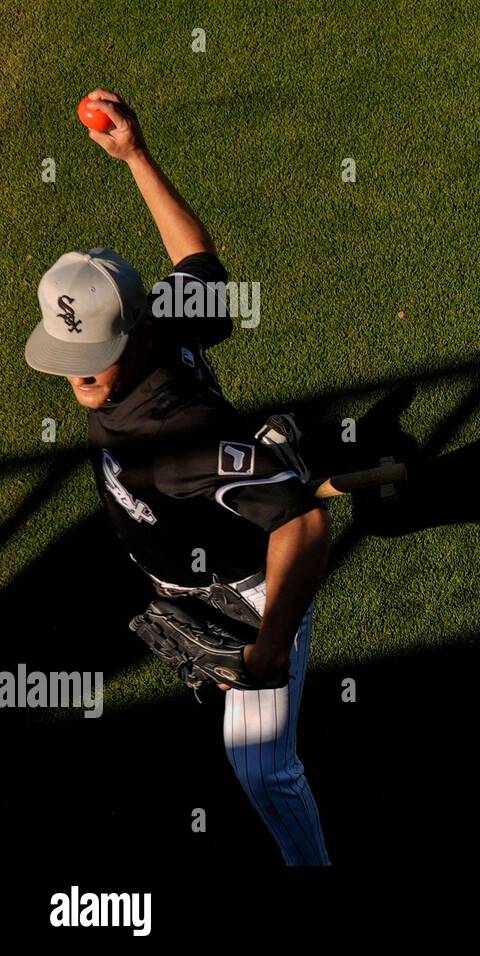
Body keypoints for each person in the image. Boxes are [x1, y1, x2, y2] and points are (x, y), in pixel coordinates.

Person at [24, 89, 331, 866]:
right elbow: (197, 261)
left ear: (131, 334)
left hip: (243, 588)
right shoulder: (166, 319)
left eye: (93, 360)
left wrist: (266, 650)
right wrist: (134, 156)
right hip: (190, 555)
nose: (80, 379)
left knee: (262, 768)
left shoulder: (176, 432)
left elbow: (303, 524)